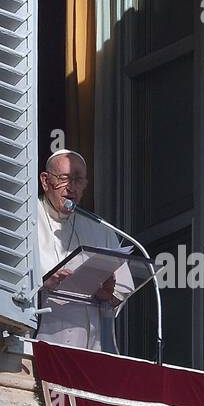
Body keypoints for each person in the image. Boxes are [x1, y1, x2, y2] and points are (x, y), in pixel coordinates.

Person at [35, 149, 134, 351]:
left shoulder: (100, 229)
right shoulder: (27, 218)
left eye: (78, 181)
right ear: (45, 181)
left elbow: (121, 291)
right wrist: (43, 283)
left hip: (91, 342)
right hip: (43, 335)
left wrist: (109, 295)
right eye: (64, 179)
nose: (71, 187)